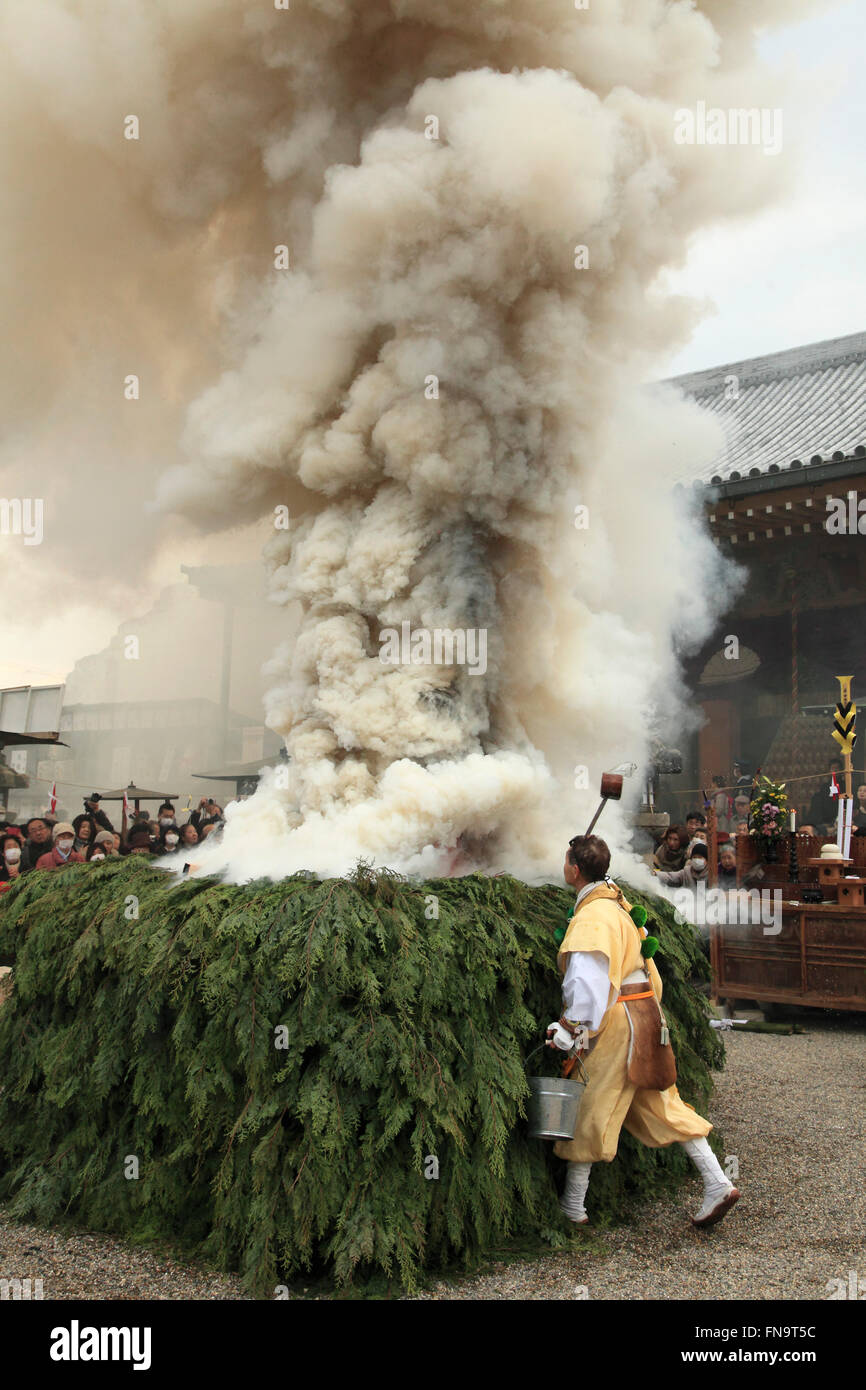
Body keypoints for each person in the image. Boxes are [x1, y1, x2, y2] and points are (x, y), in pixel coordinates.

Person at [548, 834, 739, 1229]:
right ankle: (718, 1182)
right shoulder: (617, 903)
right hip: (646, 1015)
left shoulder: (593, 918)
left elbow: (587, 985)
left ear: (574, 869)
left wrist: (570, 1027)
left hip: (618, 1023)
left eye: (566, 861)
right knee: (661, 1103)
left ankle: (572, 1207)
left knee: (589, 1104)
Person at [808, 759, 844, 835]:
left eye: (837, 768)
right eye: (832, 768)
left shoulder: (845, 785)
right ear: (829, 770)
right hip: (826, 819)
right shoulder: (825, 787)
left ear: (841, 770)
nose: (835, 770)